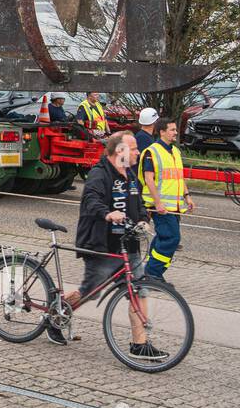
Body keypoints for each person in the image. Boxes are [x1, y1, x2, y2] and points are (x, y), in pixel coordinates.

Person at [55, 130, 159, 356]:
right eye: (133, 149)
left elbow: (138, 203)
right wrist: (107, 213)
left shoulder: (130, 174)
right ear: (119, 151)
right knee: (90, 292)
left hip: (128, 245)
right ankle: (55, 314)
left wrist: (143, 219)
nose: (138, 152)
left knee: (139, 290)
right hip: (102, 245)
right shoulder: (99, 174)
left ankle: (139, 345)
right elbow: (91, 200)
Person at [137, 117, 192, 279]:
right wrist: (158, 203)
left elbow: (179, 177)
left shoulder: (175, 151)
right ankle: (153, 274)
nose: (176, 132)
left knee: (163, 238)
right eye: (172, 130)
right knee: (171, 239)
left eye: (176, 130)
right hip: (161, 207)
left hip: (174, 206)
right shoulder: (152, 152)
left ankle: (148, 269)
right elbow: (148, 179)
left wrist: (187, 196)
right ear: (162, 132)